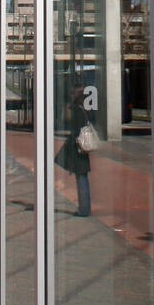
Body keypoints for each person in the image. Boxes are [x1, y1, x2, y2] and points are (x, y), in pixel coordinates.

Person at [55, 84, 93, 217]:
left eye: (72, 94)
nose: (71, 96)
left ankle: (84, 209)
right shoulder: (83, 109)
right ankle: (85, 208)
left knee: (81, 178)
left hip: (79, 148)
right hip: (83, 149)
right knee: (82, 178)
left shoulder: (77, 110)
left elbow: (75, 129)